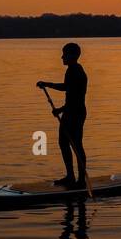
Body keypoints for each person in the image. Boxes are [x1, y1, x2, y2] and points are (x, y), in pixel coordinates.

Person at [37, 42, 88, 188]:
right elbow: (69, 92)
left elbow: (73, 93)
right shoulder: (71, 70)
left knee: (76, 145)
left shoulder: (76, 71)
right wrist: (61, 109)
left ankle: (81, 180)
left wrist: (48, 85)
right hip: (70, 111)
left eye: (64, 54)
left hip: (76, 113)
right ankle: (70, 177)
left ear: (72, 56)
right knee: (63, 143)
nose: (61, 57)